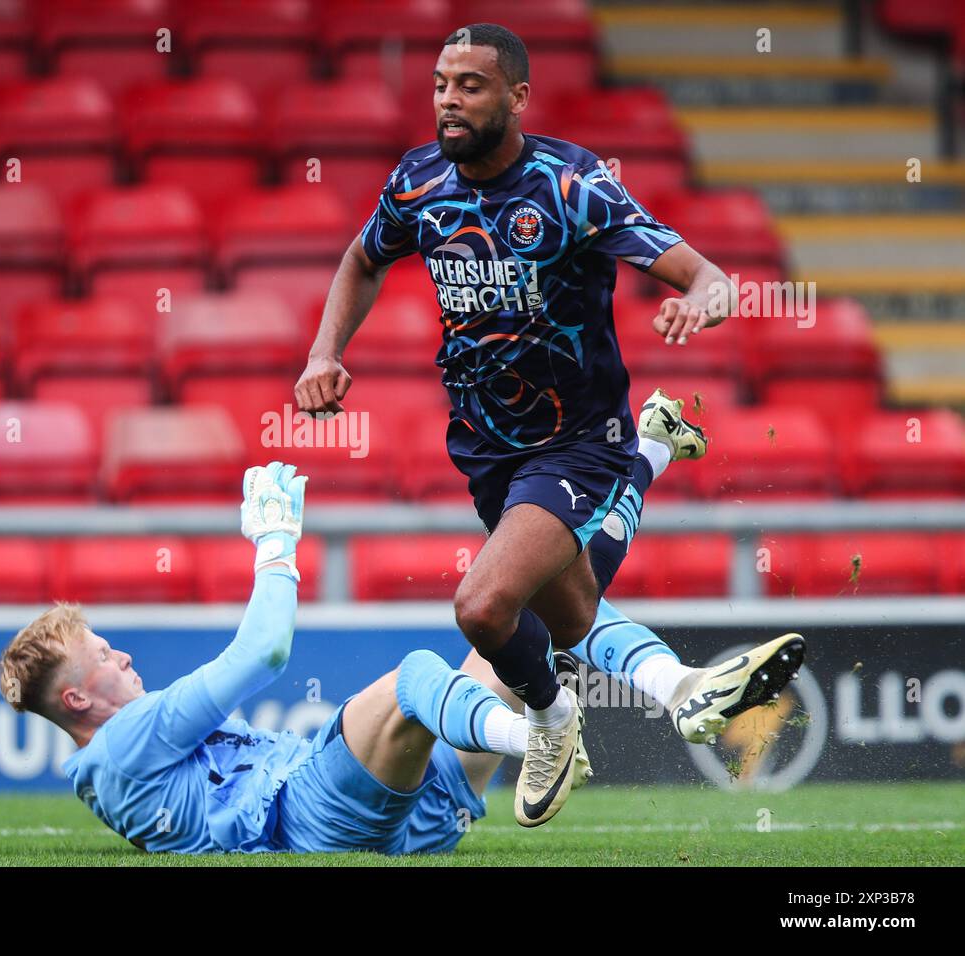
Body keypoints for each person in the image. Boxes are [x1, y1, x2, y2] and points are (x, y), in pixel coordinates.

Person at [293, 22, 788, 826]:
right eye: (441, 85)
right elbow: (362, 258)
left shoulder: (571, 185)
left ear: (517, 97)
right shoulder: (418, 183)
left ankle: (555, 721)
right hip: (485, 447)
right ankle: (677, 660)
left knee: (483, 608)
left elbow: (707, 276)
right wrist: (324, 352)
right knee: (568, 614)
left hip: (577, 439)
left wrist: (699, 302)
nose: (449, 101)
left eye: (471, 86)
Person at [0, 462, 803, 855]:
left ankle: (651, 464)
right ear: (77, 701)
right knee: (417, 679)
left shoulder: (114, 768)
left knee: (526, 612)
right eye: (103, 652)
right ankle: (541, 741)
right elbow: (265, 649)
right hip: (307, 813)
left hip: (390, 824)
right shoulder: (129, 739)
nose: (124, 652)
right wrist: (274, 541)